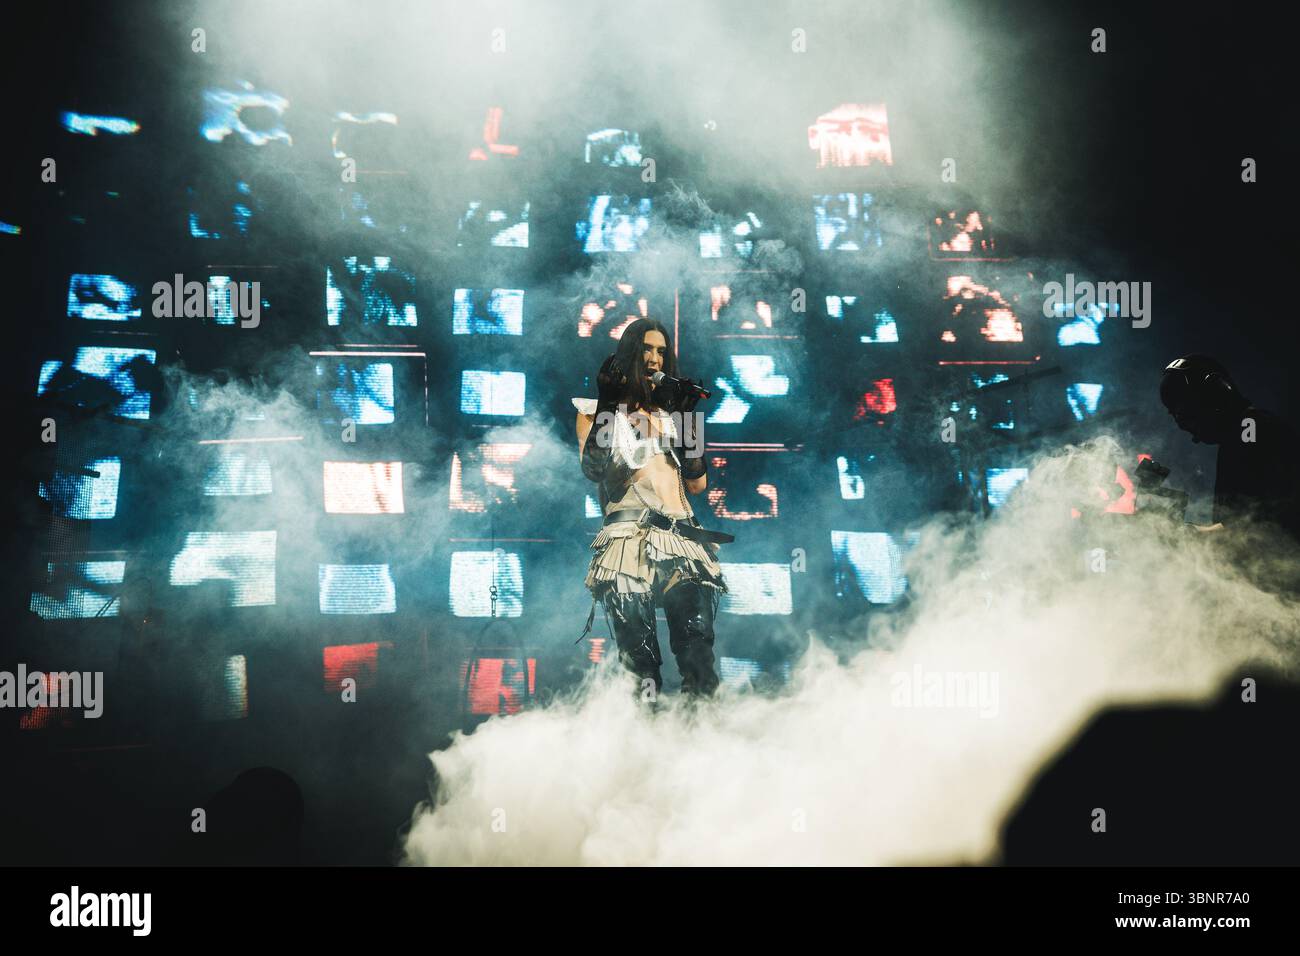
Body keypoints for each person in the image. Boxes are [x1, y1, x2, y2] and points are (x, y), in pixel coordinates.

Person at [573, 318, 731, 698]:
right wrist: (611, 405)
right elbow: (595, 470)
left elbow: (697, 485)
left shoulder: (674, 419)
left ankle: (701, 739)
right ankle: (646, 744)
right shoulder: (595, 412)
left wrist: (688, 421)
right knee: (640, 663)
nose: (655, 358)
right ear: (629, 354)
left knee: (697, 651)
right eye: (646, 349)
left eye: (662, 351)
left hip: (680, 538)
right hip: (627, 542)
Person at [1158, 354, 1300, 542]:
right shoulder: (1242, 433)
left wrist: (1196, 536)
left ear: (1216, 393)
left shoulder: (1255, 430)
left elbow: (1267, 524)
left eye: (1188, 414)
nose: (1182, 425)